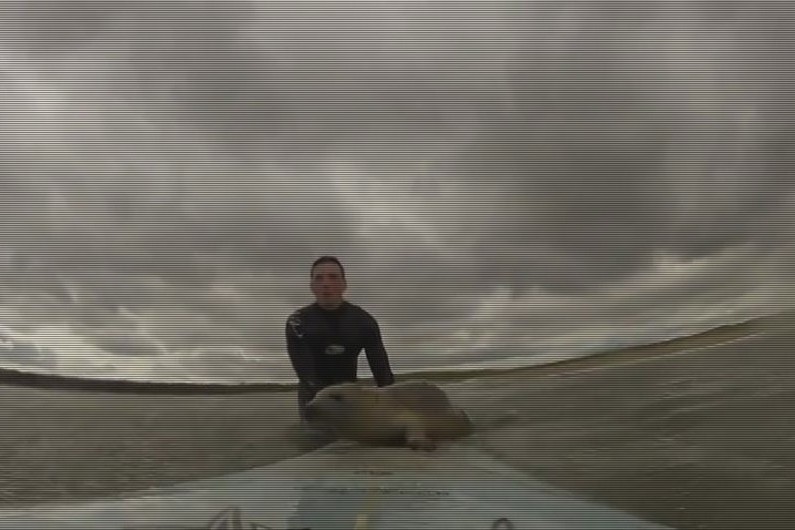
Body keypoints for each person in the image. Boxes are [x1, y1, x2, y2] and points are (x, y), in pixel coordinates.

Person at [285, 255, 395, 422]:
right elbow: (305, 373)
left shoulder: (363, 321)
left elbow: (381, 369)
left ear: (344, 284)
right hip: (313, 393)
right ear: (312, 286)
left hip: (349, 390)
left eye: (333, 277)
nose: (326, 284)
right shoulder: (297, 322)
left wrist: (391, 405)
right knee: (315, 436)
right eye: (319, 278)